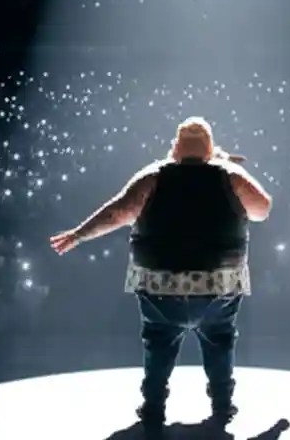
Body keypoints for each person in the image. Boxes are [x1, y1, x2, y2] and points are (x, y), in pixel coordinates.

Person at [49, 116, 272, 428]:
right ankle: (222, 405)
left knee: (158, 343)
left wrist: (78, 235)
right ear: (211, 149)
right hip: (218, 289)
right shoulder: (230, 176)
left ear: (175, 147)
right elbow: (262, 208)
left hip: (160, 288)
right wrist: (228, 167)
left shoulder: (153, 176)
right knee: (220, 342)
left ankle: (153, 406)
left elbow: (118, 212)